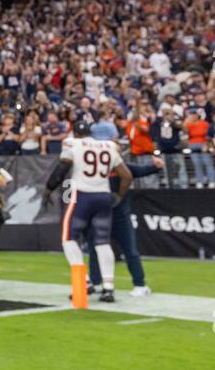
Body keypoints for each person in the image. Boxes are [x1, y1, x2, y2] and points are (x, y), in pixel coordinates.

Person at [46, 117, 134, 304]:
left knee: (68, 238)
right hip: (103, 196)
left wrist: (48, 190)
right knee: (102, 242)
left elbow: (61, 170)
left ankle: (84, 282)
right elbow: (126, 176)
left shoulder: (73, 144)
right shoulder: (108, 146)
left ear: (75, 133)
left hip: (82, 196)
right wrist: (118, 196)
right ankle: (108, 288)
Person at [87, 156, 163, 297]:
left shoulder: (124, 168)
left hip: (121, 217)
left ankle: (140, 285)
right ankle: (95, 282)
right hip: (100, 217)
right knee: (94, 250)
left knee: (130, 250)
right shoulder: (95, 169)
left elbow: (143, 170)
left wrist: (156, 166)